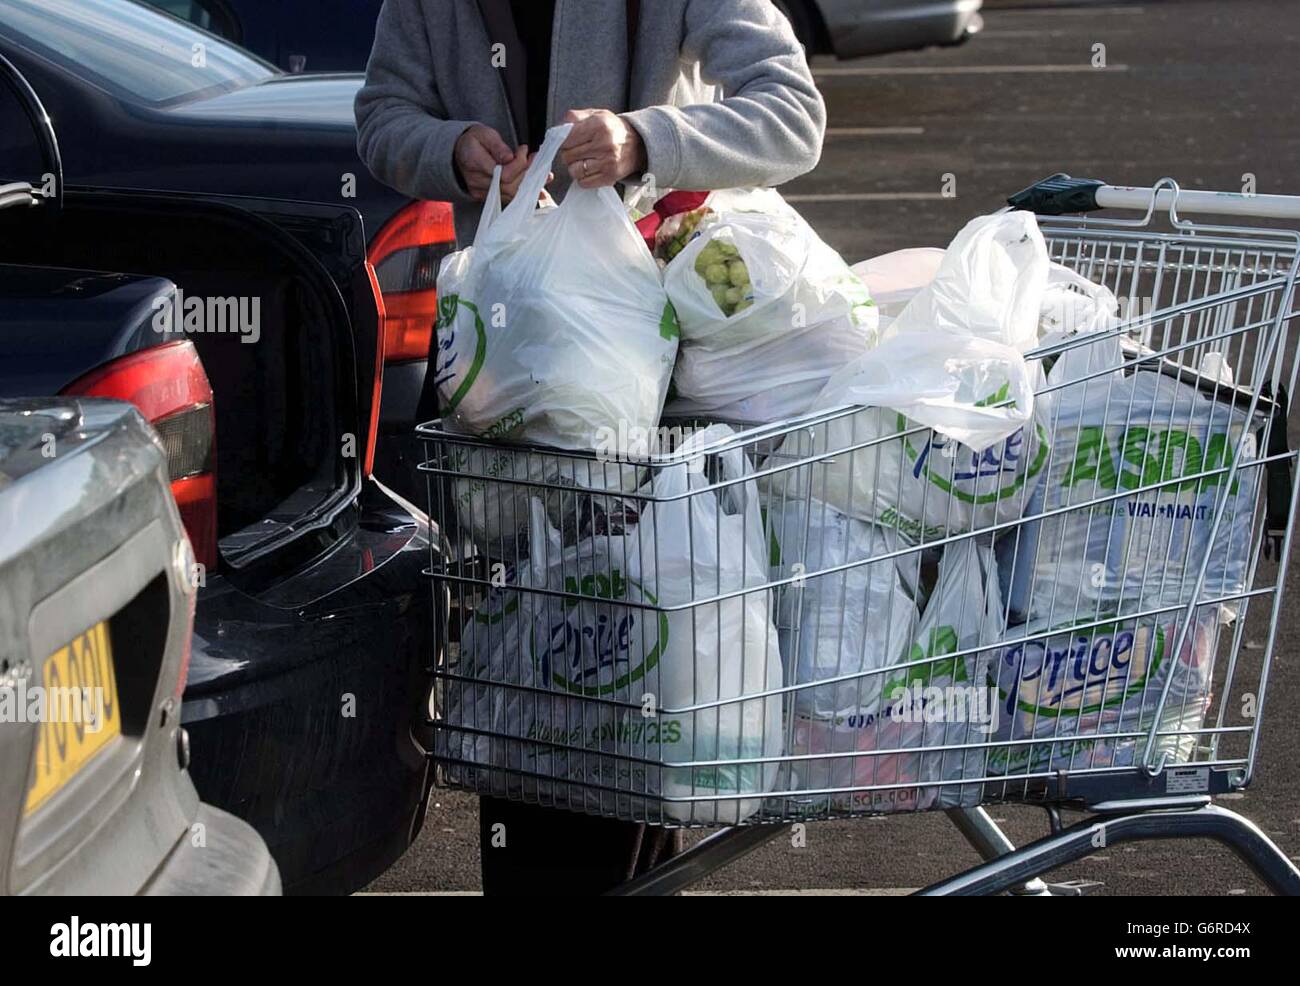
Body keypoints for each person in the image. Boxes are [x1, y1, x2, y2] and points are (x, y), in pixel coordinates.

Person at [355, 0, 825, 895]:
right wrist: (453, 149)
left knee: (634, 680)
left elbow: (792, 114)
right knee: (529, 687)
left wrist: (646, 140)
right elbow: (382, 118)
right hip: (506, 387)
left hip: (650, 383)